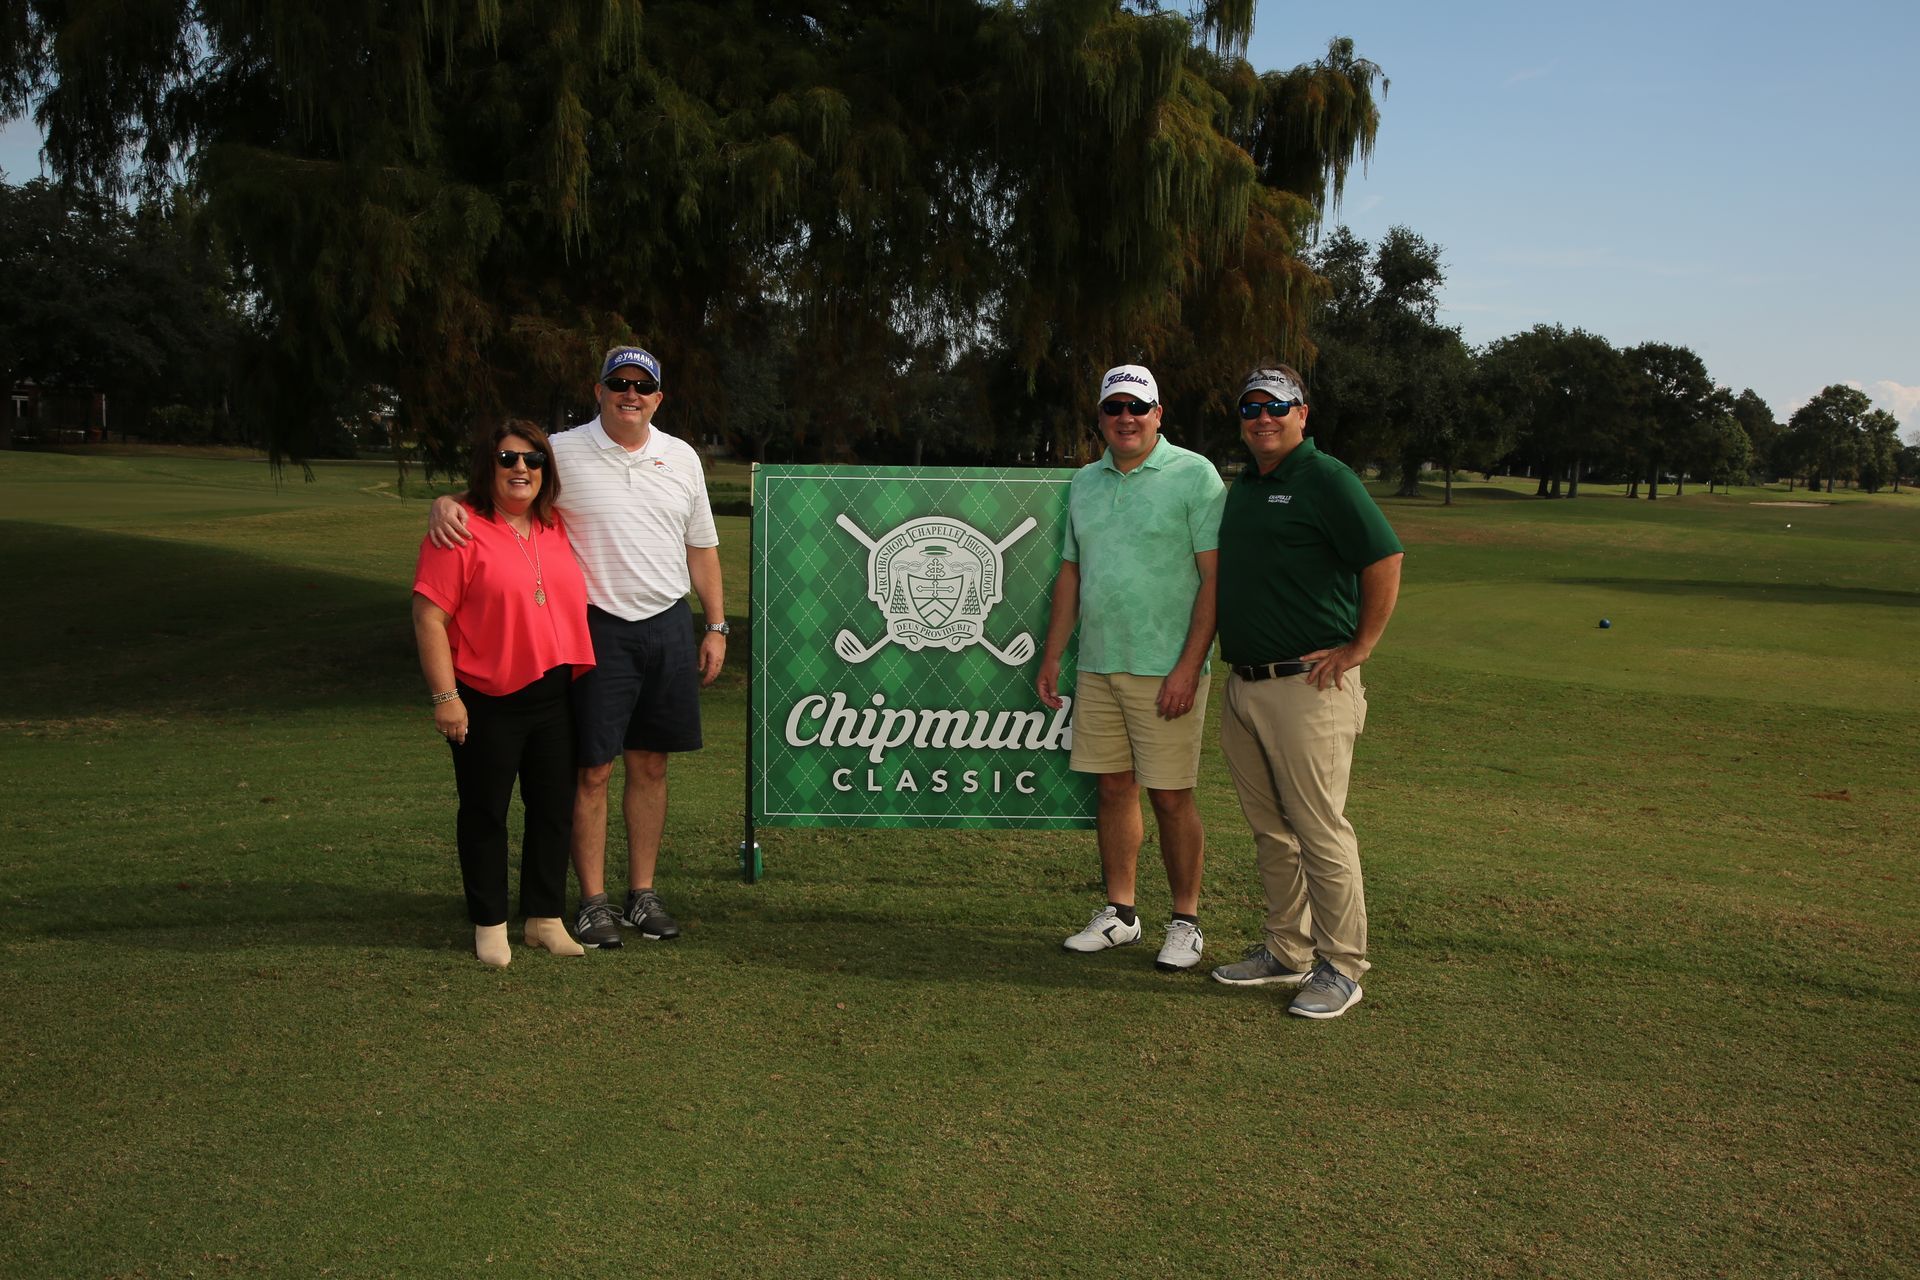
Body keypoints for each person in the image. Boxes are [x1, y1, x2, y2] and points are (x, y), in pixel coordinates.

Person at [429, 345, 726, 949]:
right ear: (599, 391)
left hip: (667, 622)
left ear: (658, 397)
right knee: (591, 770)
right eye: (618, 382)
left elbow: (701, 547)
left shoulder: (683, 457)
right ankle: (590, 903)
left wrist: (715, 624)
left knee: (651, 763)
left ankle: (641, 894)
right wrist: (445, 505)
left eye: (643, 385)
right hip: (598, 628)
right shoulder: (559, 450)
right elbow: (503, 489)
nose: (630, 394)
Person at [1208, 365, 1404, 1018]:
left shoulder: (1327, 479)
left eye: (1276, 406)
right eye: (1250, 407)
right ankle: (1286, 949)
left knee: (1320, 830)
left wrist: (1360, 647)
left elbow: (1384, 558)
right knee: (1271, 831)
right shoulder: (1245, 487)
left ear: (1302, 414)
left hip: (1308, 686)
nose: (1262, 417)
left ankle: (1342, 966)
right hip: (1245, 685)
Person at [1037, 364, 1226, 972]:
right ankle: (1120, 913)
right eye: (1114, 407)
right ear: (1099, 417)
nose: (1126, 417)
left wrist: (1188, 666)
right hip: (1099, 662)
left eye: (1137, 407)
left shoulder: (1194, 475)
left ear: (1158, 414)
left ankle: (1185, 921)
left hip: (1165, 667)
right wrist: (1054, 654)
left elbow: (1215, 577)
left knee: (1172, 796)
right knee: (1113, 787)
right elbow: (1072, 571)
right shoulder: (1085, 483)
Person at [412, 420, 596, 966]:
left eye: (534, 460)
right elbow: (428, 616)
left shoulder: (555, 525)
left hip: (554, 693)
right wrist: (445, 697)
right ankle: (489, 922)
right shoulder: (459, 529)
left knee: (553, 809)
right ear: (487, 465)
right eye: (508, 459)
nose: (522, 469)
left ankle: (544, 918)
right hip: (486, 696)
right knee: (485, 811)